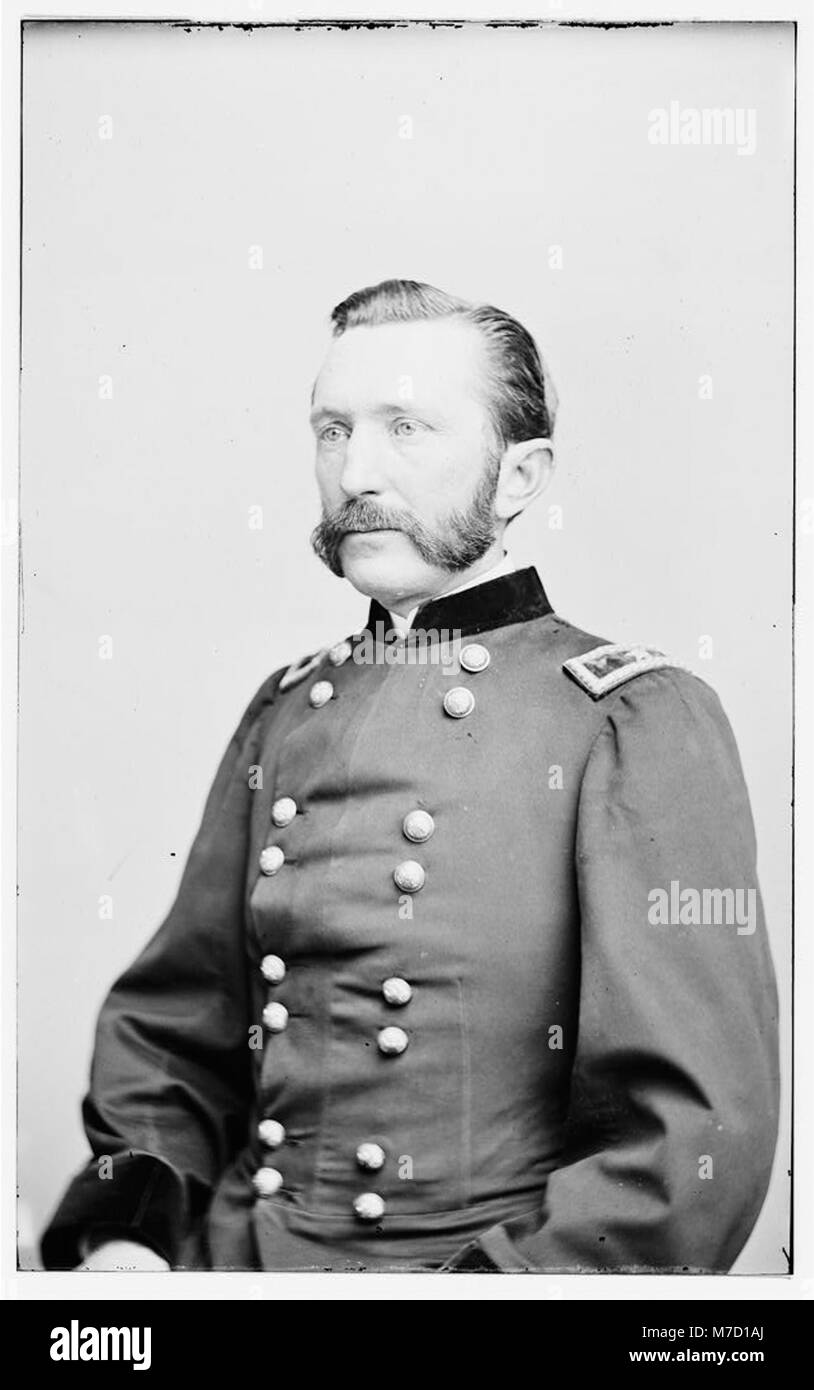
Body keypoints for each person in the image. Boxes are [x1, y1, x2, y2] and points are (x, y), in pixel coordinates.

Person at [41, 280, 779, 1274]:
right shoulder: (285, 708)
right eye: (333, 430)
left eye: (406, 429)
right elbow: (174, 1031)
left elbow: (688, 1136)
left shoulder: (630, 718)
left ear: (520, 475)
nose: (356, 473)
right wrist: (130, 1235)